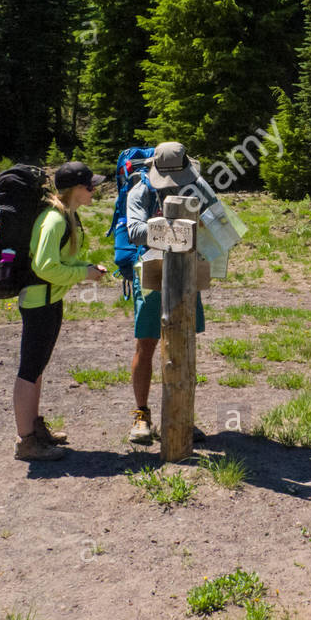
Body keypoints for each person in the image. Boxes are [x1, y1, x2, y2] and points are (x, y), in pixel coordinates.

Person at [13, 161, 107, 462]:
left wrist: (86, 268)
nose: (94, 190)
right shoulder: (55, 219)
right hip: (39, 302)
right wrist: (83, 274)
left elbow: (58, 264)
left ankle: (34, 429)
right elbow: (45, 266)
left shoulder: (65, 215)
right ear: (77, 188)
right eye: (90, 185)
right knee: (29, 370)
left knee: (37, 367)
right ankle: (26, 442)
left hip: (49, 300)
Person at [123, 142, 206, 444]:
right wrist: (177, 230)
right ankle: (141, 415)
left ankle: (180, 414)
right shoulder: (140, 191)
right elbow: (134, 231)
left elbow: (216, 220)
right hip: (151, 271)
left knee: (184, 339)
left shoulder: (198, 186)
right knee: (146, 345)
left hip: (187, 272)